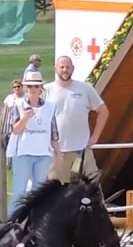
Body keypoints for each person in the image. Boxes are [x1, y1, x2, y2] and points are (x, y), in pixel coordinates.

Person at [45, 55, 110, 183]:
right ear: (55, 69)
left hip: (83, 151)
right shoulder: (46, 91)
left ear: (73, 69)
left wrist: (95, 137)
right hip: (58, 152)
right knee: (57, 191)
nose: (65, 70)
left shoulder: (85, 89)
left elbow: (103, 111)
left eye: (67, 67)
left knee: (93, 187)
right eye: (62, 67)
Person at [6, 70, 60, 214]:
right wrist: (24, 118)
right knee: (19, 189)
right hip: (23, 152)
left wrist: (58, 153)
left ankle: (35, 221)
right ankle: (13, 220)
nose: (32, 89)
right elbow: (15, 130)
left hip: (43, 152)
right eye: (29, 86)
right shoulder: (17, 105)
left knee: (39, 190)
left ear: (40, 88)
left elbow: (53, 132)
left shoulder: (50, 106)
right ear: (25, 87)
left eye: (36, 86)